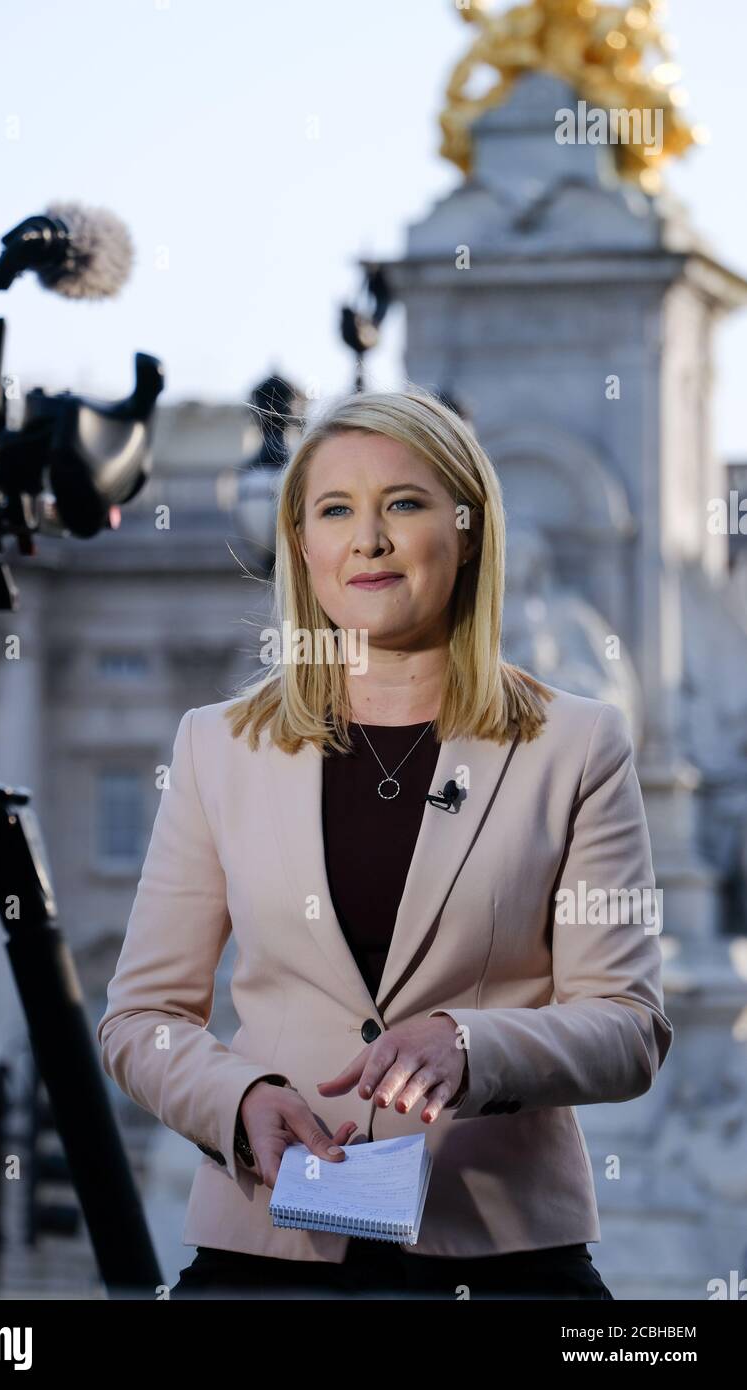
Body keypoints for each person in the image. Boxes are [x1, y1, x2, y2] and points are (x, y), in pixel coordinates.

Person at [97, 386, 673, 1300]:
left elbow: (630, 1029)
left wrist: (473, 1046)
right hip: (268, 1252)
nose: (368, 539)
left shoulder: (579, 745)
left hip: (499, 1259)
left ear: (469, 529)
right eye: (335, 510)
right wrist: (239, 1102)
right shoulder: (217, 746)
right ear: (304, 548)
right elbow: (140, 1022)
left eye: (402, 504)